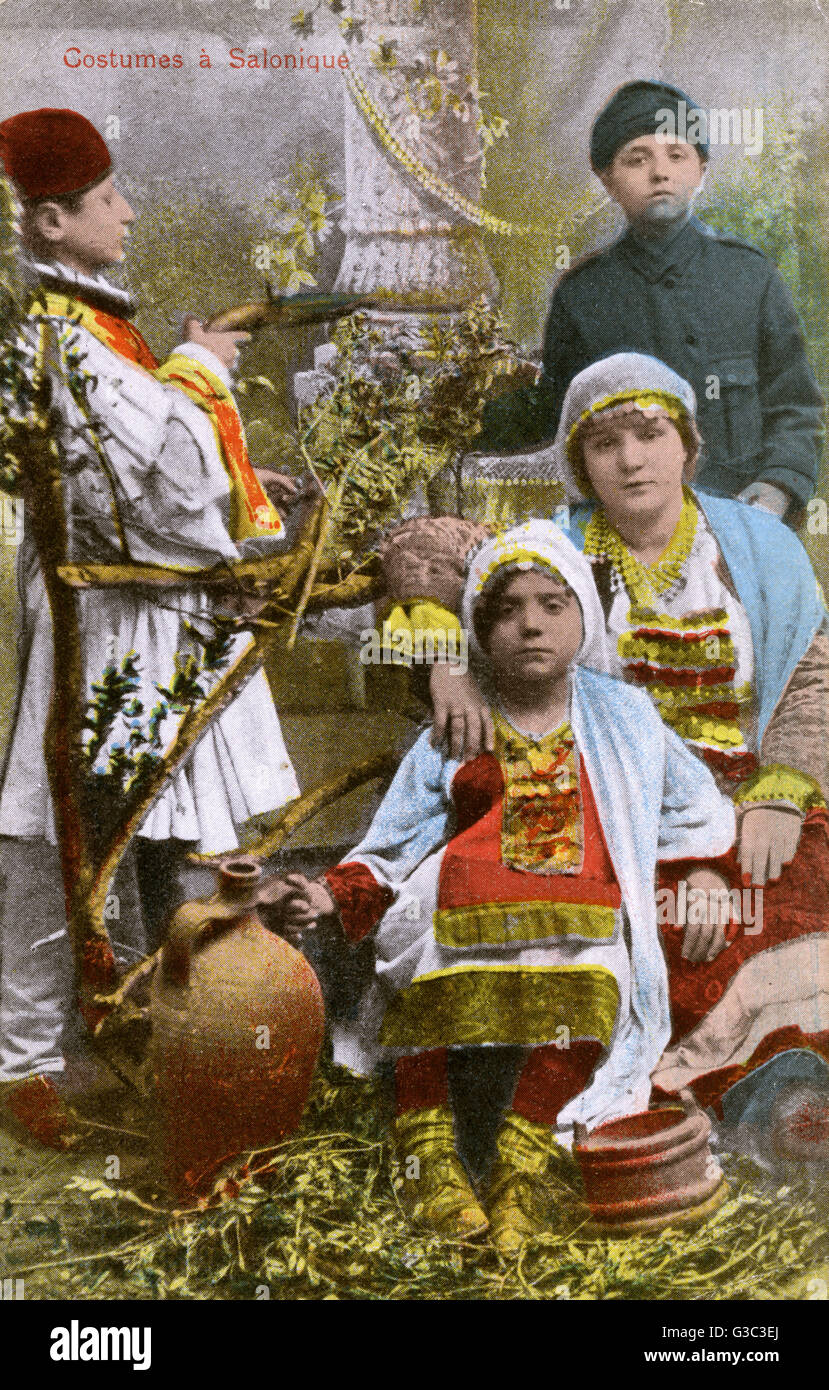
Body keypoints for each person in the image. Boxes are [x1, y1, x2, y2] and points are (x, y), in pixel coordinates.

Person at [386, 352, 829, 1148]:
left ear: (687, 447)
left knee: (786, 901)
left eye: (649, 435)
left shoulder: (759, 545)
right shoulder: (552, 548)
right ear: (578, 466)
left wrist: (780, 789)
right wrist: (445, 656)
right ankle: (618, 1108)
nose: (630, 459)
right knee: (627, 915)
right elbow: (427, 543)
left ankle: (771, 1096)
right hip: (609, 789)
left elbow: (811, 673)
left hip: (745, 788)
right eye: (603, 444)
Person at [275, 520, 735, 1254]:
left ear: (583, 614)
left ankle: (518, 1170)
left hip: (581, 913)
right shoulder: (459, 719)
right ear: (477, 627)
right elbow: (396, 837)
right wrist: (332, 894)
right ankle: (428, 1159)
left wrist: (701, 867)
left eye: (552, 604)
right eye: (506, 609)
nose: (529, 624)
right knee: (421, 977)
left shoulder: (623, 716)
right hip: (457, 908)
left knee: (593, 983)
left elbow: (696, 805)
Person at [0, 108, 301, 1147]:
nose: (129, 211)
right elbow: (166, 502)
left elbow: (150, 483)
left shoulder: (95, 331)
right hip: (111, 615)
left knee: (139, 831)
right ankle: (32, 1065)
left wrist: (245, 482)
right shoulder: (63, 339)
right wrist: (204, 368)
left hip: (144, 606)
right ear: (47, 223)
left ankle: (155, 1037)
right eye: (105, 199)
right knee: (66, 835)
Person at [476, 80, 824, 523]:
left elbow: (796, 406)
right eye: (636, 159)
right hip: (624, 532)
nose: (659, 173)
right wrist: (456, 413)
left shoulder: (750, 277)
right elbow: (556, 412)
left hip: (741, 520)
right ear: (607, 180)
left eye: (676, 156)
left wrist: (777, 486)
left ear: (701, 170)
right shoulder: (583, 294)